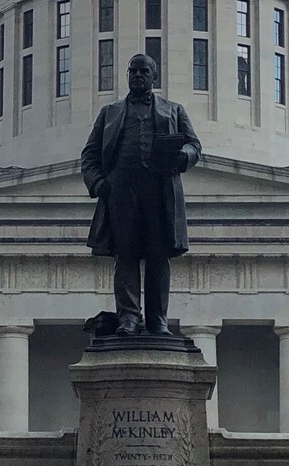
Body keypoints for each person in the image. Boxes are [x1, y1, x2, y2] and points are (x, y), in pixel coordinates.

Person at [79, 53, 202, 337]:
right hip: (122, 193)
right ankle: (129, 318)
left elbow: (194, 145)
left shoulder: (174, 110)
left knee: (159, 257)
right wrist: (98, 184)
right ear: (127, 76)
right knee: (126, 255)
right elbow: (89, 155)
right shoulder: (109, 113)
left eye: (143, 71)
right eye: (132, 71)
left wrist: (183, 156)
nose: (137, 76)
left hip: (159, 194)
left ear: (153, 76)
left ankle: (158, 319)